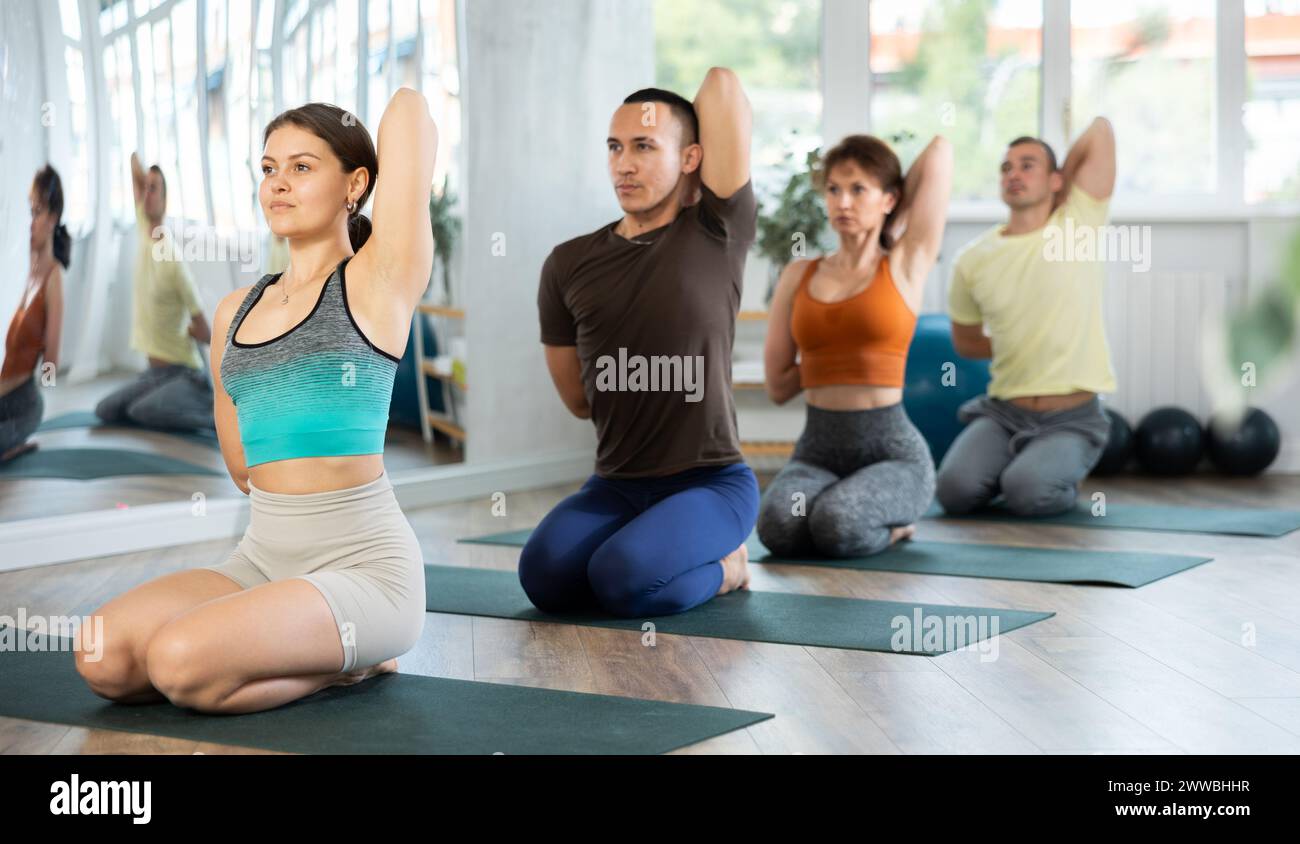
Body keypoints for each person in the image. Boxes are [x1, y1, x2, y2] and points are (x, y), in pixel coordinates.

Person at [75, 90, 438, 715]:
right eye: (269, 168)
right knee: (102, 656)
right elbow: (244, 472)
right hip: (263, 558)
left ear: (355, 184)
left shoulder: (378, 282)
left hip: (367, 572)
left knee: (178, 663)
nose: (278, 183)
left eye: (302, 166)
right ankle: (310, 649)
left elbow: (408, 109)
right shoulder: (232, 314)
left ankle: (352, 661)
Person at [521, 69, 759, 617]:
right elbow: (581, 401)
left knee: (622, 580)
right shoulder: (568, 263)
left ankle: (729, 568)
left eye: (645, 147)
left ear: (691, 158)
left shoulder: (718, 231)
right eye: (615, 147)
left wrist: (694, 178)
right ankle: (650, 547)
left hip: (711, 484)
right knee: (544, 580)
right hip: (616, 485)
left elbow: (722, 87)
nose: (624, 164)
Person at [757, 134, 952, 557]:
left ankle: (898, 527)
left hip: (893, 454)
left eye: (858, 189)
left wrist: (892, 220)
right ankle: (843, 504)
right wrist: (838, 357)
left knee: (838, 524)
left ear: (889, 198)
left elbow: (939, 153)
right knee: (778, 528)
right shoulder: (798, 274)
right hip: (818, 450)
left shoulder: (905, 262)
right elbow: (778, 387)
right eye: (834, 189)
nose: (843, 202)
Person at [935, 118, 1118, 516]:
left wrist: (1062, 184)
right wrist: (1019, 340)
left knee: (1028, 494)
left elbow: (1101, 131)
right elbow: (965, 342)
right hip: (1004, 412)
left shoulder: (1077, 225)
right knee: (953, 493)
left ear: (1055, 180)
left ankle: (1041, 474)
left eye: (1027, 164)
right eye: (1006, 168)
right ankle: (1019, 469)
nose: (1013, 174)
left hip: (1072, 417)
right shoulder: (973, 259)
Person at [93, 153, 214, 432]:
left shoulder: (173, 260)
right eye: (144, 188)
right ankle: (173, 402)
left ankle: (212, 412)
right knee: (106, 409)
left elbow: (205, 330)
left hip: (185, 373)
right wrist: (149, 178)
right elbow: (133, 160)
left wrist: (198, 333)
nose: (146, 194)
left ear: (165, 200)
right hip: (153, 374)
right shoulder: (142, 227)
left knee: (142, 411)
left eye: (154, 189)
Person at [0, 166, 69, 463]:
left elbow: (52, 360)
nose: (31, 222)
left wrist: (44, 371)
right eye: (30, 211)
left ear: (53, 218)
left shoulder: (54, 278)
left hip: (23, 403)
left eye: (37, 212)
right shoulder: (32, 275)